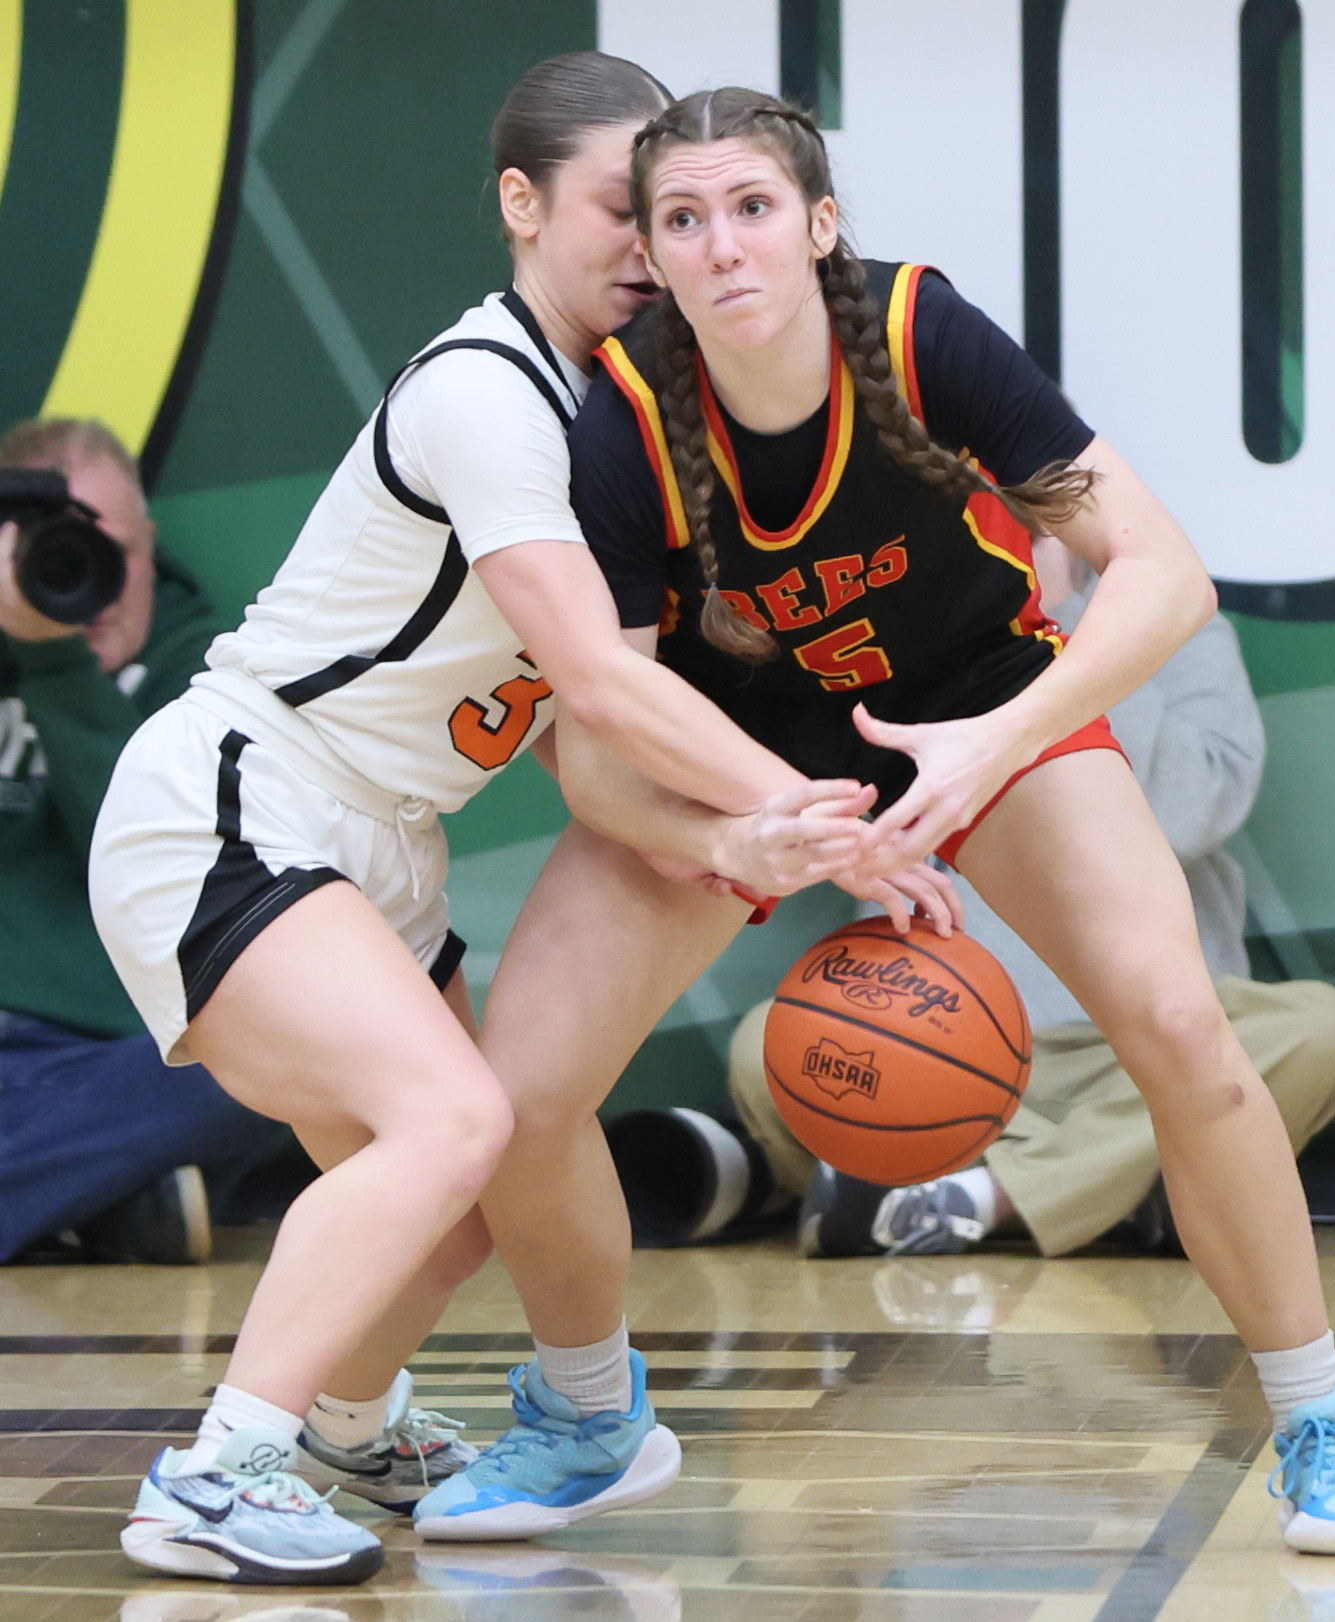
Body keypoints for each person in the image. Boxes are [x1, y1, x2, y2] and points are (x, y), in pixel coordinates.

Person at [88, 54, 945, 1586]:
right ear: (518, 201)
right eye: (625, 208)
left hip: (378, 837)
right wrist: (816, 810)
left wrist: (731, 845)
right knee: (458, 1118)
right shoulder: (487, 388)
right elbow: (597, 683)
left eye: (673, 215)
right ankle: (217, 1473)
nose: (651, 247)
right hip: (242, 795)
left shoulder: (618, 423)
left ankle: (347, 1426)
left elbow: (578, 753)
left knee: (455, 1214)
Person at [542, 88, 1335, 1557]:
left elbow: (1161, 572)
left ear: (818, 224)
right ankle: (572, 1412)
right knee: (526, 1085)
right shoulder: (628, 415)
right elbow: (595, 749)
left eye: (752, 208)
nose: (719, 245)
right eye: (682, 220)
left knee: (1184, 1029)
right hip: (769, 758)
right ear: (655, 249)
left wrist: (986, 751)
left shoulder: (914, 332)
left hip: (980, 701)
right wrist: (737, 833)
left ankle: (1320, 1417)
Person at [724, 537, 1335, 1260]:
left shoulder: (1173, 620)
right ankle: (1115, 1188)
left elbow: (1199, 804)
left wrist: (1059, 629)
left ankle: (977, 1198)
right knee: (763, 1046)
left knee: (1317, 1029)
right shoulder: (879, 633)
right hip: (934, 1039)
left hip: (1136, 1046)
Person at [0, 418, 291, 1266]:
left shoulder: (210, 675)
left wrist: (53, 664)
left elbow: (159, 859)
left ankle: (94, 1189)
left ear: (149, 544)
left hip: (125, 1056)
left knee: (255, 1076)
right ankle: (113, 1199)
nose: (88, 586)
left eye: (109, 553)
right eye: (47, 555)